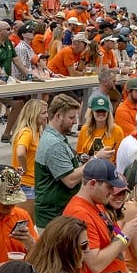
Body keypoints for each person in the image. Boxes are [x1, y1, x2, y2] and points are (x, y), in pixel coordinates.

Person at [64, 159, 137, 273]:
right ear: (93, 184)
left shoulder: (98, 205)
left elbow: (117, 244)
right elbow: (95, 265)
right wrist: (125, 234)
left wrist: (134, 230)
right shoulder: (79, 213)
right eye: (109, 187)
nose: (112, 192)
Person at [32, 93, 83, 228]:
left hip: (58, 214)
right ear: (59, 116)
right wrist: (94, 161)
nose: (75, 122)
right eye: (71, 117)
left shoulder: (56, 137)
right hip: (52, 218)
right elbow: (70, 180)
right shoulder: (54, 144)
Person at [9, 98, 48, 201]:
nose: (47, 116)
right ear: (34, 114)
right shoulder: (27, 132)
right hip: (26, 185)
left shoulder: (37, 131)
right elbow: (20, 153)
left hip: (33, 183)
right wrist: (25, 169)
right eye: (43, 113)